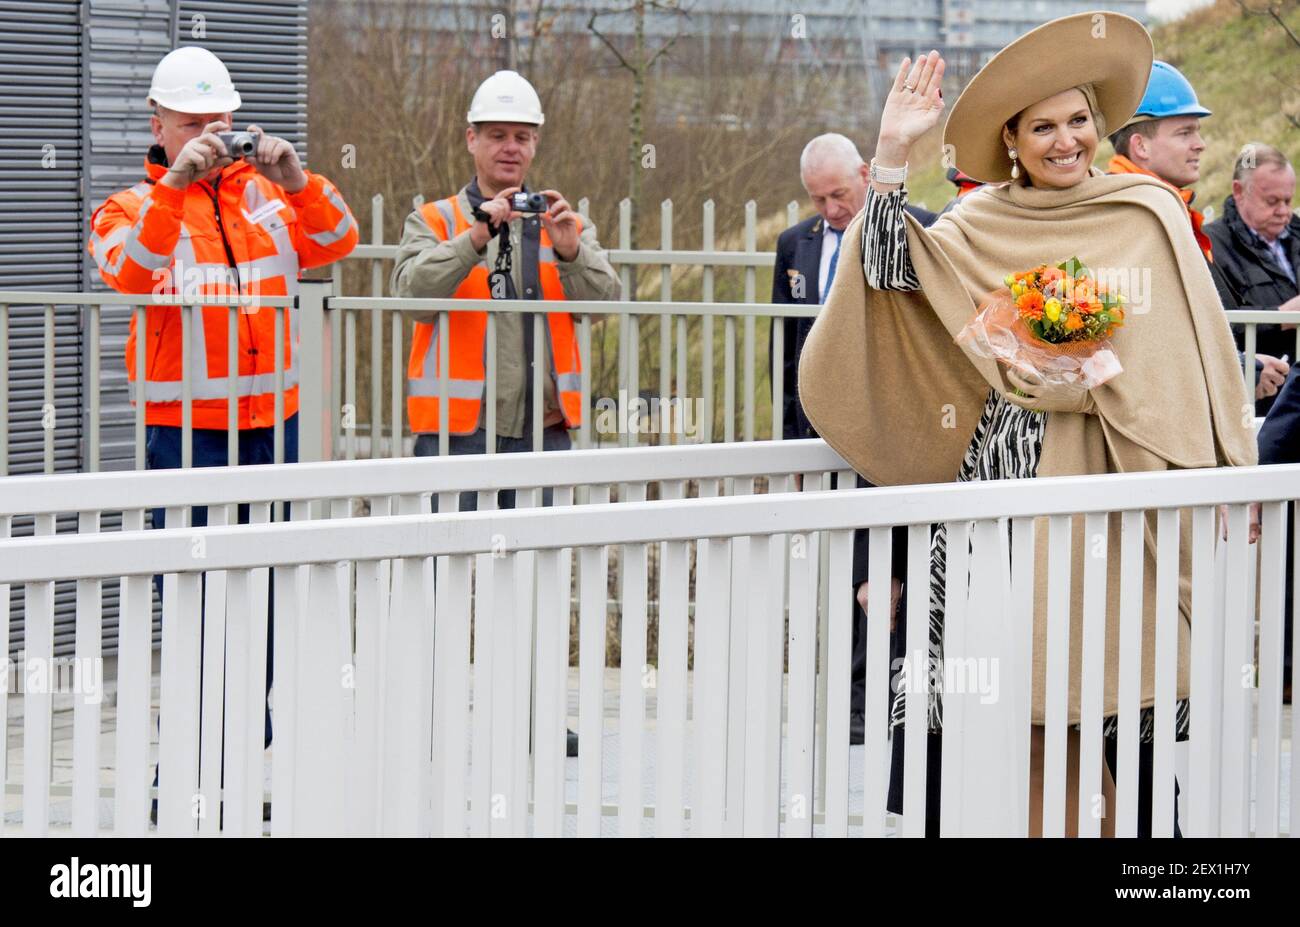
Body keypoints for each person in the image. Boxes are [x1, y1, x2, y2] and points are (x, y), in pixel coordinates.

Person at [799, 13, 1256, 836]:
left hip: (1124, 494)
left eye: (1078, 119)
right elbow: (889, 272)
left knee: (1127, 716)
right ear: (1011, 141)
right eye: (1042, 127)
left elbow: (1200, 351)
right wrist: (894, 152)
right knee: (1017, 708)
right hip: (1006, 499)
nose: (1065, 140)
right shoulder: (978, 225)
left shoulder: (1148, 211)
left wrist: (1232, 465)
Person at [87, 45, 359, 823]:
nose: (211, 136)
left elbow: (337, 240)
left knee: (262, 603)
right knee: (199, 603)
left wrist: (297, 179)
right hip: (186, 434)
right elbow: (131, 275)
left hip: (270, 428)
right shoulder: (130, 206)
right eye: (194, 123)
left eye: (222, 122)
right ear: (159, 126)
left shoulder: (267, 198)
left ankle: (240, 755)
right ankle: (182, 774)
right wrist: (175, 188)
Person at [391, 70, 620, 758]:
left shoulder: (557, 219)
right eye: (497, 136)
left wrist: (571, 246)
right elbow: (410, 291)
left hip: (542, 434)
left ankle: (536, 714)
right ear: (472, 140)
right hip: (458, 433)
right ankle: (426, 715)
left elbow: (606, 301)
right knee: (438, 577)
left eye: (522, 137)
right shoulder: (434, 219)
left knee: (539, 579)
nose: (511, 149)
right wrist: (474, 234)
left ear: (536, 142)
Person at [769, 133, 934, 743]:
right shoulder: (796, 245)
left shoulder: (920, 226)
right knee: (848, 570)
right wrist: (790, 439)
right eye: (817, 199)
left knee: (891, 571)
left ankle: (892, 698)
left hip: (894, 425)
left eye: (839, 194)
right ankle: (854, 698)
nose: (831, 209)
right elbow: (784, 349)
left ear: (866, 174)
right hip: (823, 430)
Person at [1107, 62, 1287, 412]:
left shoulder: (1154, 207)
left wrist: (1243, 363)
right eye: (1185, 133)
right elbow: (1155, 335)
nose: (1200, 145)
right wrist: (1243, 368)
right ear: (1140, 146)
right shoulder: (1141, 215)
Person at [1204, 143, 1299, 405]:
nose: (1283, 211)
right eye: (1271, 201)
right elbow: (1216, 326)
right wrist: (1280, 317)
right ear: (1239, 191)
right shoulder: (1209, 246)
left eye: (1288, 200)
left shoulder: (1296, 234)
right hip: (1261, 402)